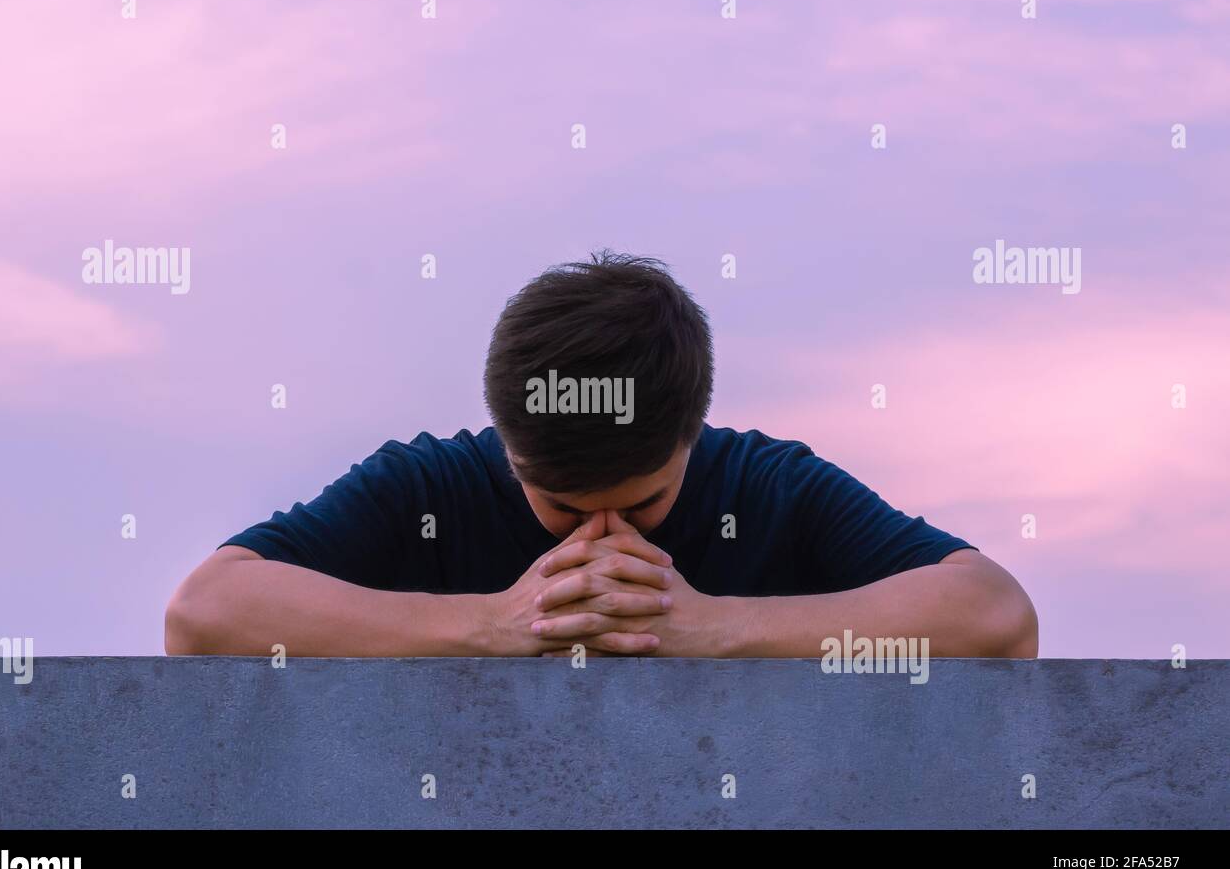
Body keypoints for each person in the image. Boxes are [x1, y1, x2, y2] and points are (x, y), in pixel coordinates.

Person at [165, 251, 1037, 658]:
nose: (604, 542)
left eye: (646, 504)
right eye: (561, 511)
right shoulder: (432, 483)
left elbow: (995, 617)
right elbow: (206, 614)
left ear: (694, 433)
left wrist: (726, 629)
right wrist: (490, 625)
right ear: (508, 451)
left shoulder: (765, 485)